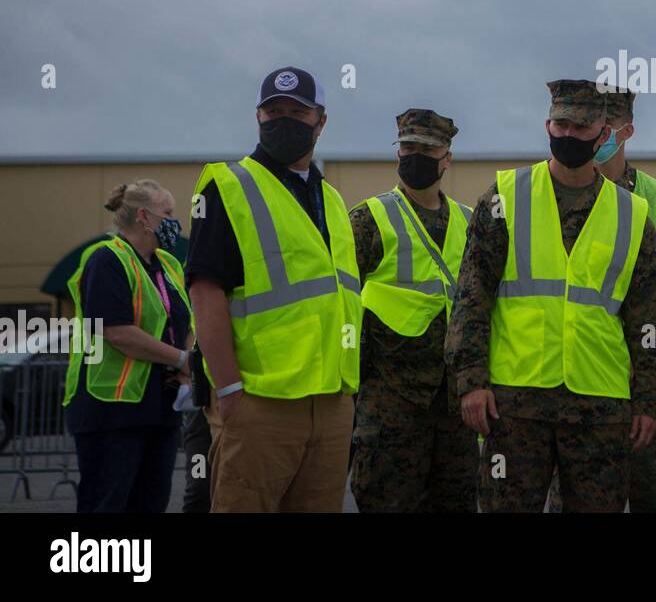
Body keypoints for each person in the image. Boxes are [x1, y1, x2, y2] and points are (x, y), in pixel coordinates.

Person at [446, 79, 656, 512]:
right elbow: (471, 297)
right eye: (561, 123)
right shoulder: (504, 198)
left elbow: (646, 321)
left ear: (604, 134)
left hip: (600, 403)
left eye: (582, 127)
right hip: (514, 402)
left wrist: (649, 399)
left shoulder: (633, 213)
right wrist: (472, 382)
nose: (569, 135)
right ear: (547, 124)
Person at [186, 66, 361, 512]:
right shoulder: (227, 185)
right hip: (260, 402)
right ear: (258, 117)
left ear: (322, 121)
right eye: (273, 111)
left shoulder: (333, 200)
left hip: (331, 400)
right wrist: (228, 392)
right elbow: (206, 293)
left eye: (297, 112)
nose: (282, 119)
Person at [349, 108, 479, 512]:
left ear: (447, 157)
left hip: (454, 401)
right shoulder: (369, 218)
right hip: (390, 399)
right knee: (385, 500)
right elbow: (341, 301)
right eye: (408, 147)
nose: (415, 155)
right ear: (397, 153)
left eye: (427, 148)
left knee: (455, 501)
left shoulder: (469, 222)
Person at [63, 179, 193, 513]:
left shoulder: (169, 266)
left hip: (159, 409)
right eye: (168, 213)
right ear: (143, 218)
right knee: (108, 502)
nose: (174, 222)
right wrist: (182, 359)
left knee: (151, 502)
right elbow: (116, 331)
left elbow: (185, 320)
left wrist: (186, 366)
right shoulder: (107, 260)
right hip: (111, 409)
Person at [595, 87, 656, 512]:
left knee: (651, 489)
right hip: (576, 375)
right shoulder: (550, 191)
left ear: (626, 130)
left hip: (637, 370)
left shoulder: (654, 198)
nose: (593, 135)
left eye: (604, 126)